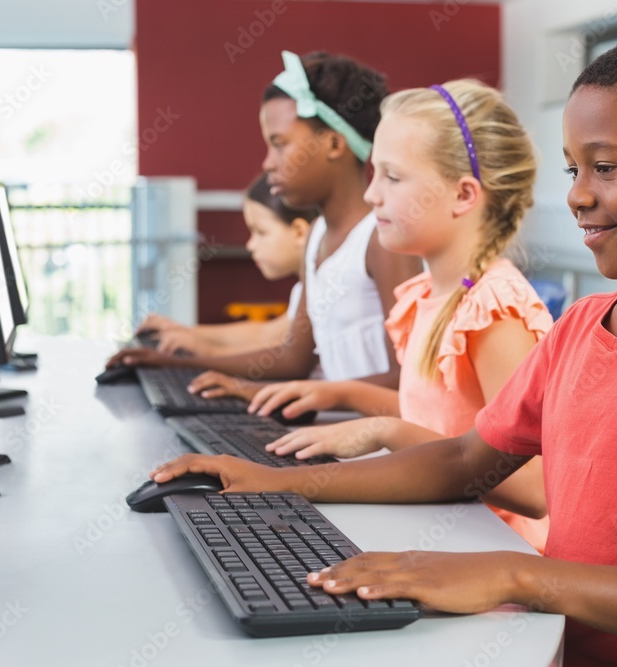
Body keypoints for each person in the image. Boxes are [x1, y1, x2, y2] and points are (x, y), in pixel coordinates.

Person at [149, 36, 617, 665]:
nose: (578, 193)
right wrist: (280, 484)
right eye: (573, 169)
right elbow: (467, 458)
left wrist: (514, 573)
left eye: (605, 167)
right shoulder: (583, 324)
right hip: (559, 641)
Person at [232, 80, 553, 549]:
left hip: (493, 554)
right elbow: (442, 422)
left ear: (464, 195)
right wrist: (343, 394)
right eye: (373, 174)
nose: (371, 196)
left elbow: (532, 488)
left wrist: (386, 431)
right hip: (444, 534)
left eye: (393, 178)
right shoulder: (428, 294)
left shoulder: (493, 312)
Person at [107, 50, 422, 389]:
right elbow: (292, 358)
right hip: (338, 434)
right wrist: (174, 363)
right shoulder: (316, 237)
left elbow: (407, 379)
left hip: (381, 441)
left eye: (280, 144)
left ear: (333, 143)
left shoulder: (380, 239)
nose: (269, 163)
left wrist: (309, 394)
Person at [135, 173, 317, 358]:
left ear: (299, 233)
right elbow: (266, 334)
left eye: (260, 232)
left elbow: (283, 352)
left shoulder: (323, 291)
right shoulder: (303, 289)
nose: (250, 245)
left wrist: (207, 352)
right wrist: (183, 331)